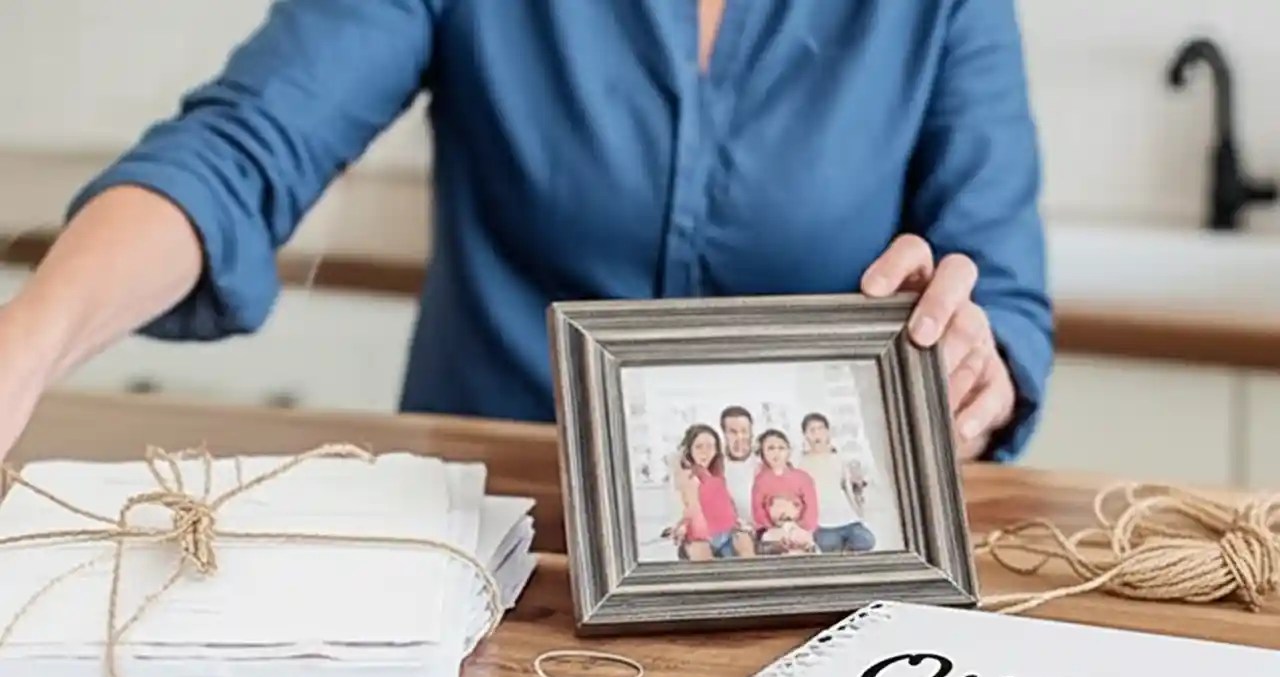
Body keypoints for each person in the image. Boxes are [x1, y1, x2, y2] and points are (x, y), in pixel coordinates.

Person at [0, 1, 1053, 464]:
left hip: (804, 555)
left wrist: (966, 375)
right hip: (484, 551)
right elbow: (242, 149)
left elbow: (997, 296)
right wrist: (29, 338)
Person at [672, 424, 755, 561]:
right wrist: (685, 527)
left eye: (710, 446)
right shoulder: (687, 476)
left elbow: (726, 504)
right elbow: (691, 508)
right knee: (702, 552)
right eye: (699, 447)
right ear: (689, 450)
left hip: (726, 532)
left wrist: (737, 522)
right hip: (701, 535)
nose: (704, 452)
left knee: (745, 543)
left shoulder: (717, 477)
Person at [798, 413, 877, 554]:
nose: (817, 434)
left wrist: (857, 485)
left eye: (820, 429)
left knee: (866, 540)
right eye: (812, 430)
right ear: (805, 435)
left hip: (847, 518)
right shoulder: (801, 464)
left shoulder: (840, 459)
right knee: (828, 545)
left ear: (828, 432)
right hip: (822, 522)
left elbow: (850, 488)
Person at [750, 430, 819, 537]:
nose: (776, 453)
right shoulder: (760, 481)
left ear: (788, 451)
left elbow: (811, 510)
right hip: (771, 533)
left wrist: (800, 529)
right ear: (762, 452)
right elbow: (758, 510)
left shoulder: (803, 478)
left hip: (800, 532)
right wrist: (772, 528)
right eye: (771, 448)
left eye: (781, 448)